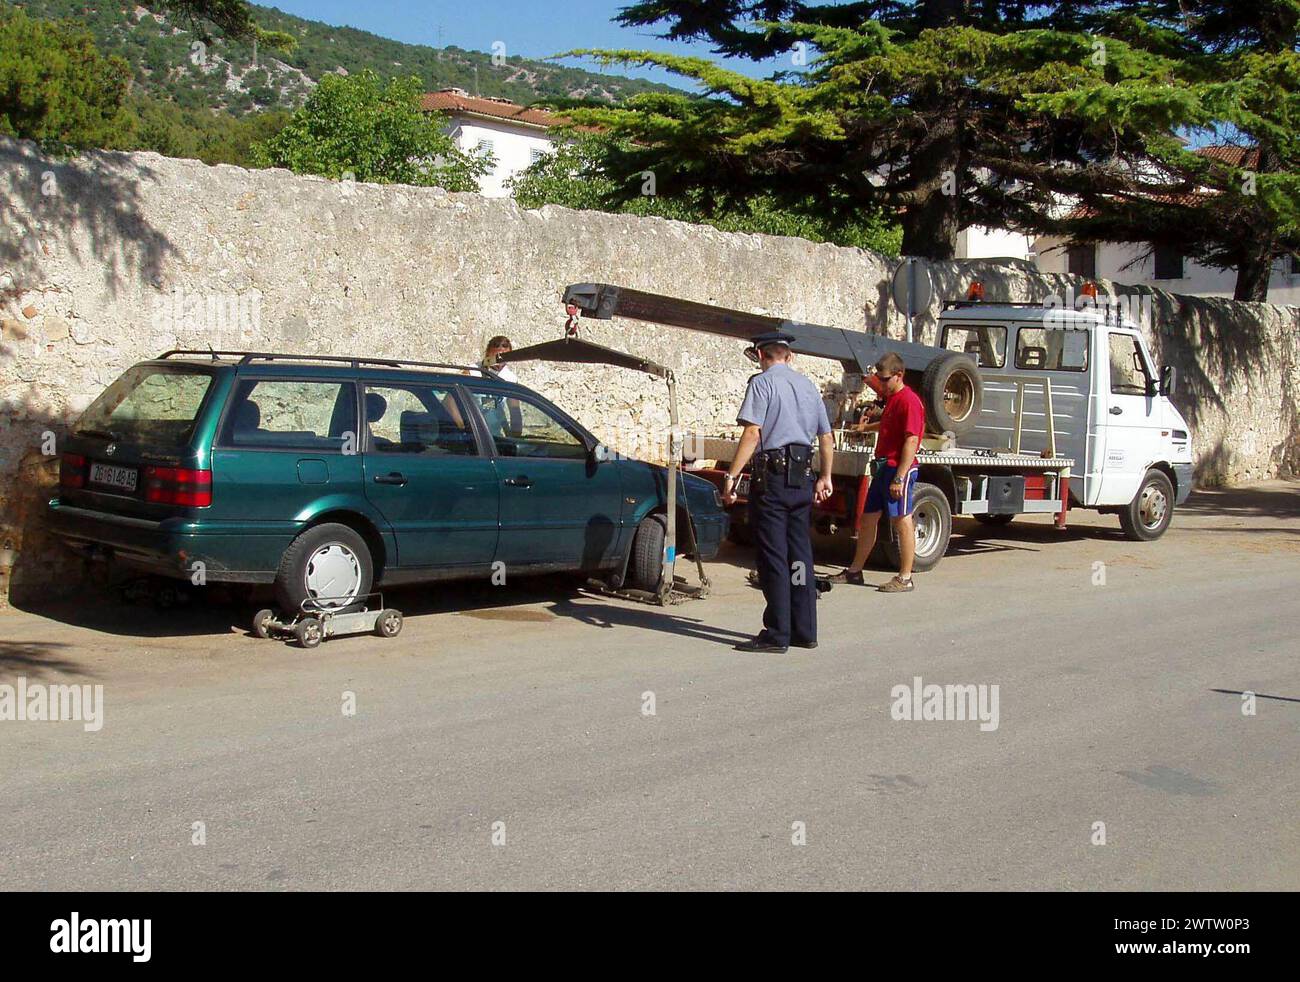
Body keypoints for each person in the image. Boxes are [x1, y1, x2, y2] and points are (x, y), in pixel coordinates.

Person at [721, 332, 834, 653]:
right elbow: (826, 437)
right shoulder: (809, 387)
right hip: (802, 478)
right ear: (790, 356)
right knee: (800, 555)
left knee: (773, 555)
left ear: (760, 355)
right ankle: (804, 629)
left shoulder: (762, 383)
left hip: (772, 480)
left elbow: (753, 433)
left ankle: (777, 633)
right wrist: (825, 476)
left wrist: (732, 475)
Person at [829, 352, 923, 593]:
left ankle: (905, 577)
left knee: (902, 520)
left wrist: (900, 476)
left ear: (899, 375)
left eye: (884, 379)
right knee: (869, 519)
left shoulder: (909, 401)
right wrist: (865, 427)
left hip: (897, 469)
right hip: (882, 467)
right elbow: (888, 424)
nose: (880, 384)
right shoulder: (892, 398)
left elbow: (911, 440)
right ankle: (854, 571)